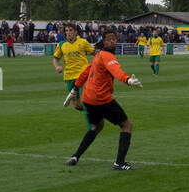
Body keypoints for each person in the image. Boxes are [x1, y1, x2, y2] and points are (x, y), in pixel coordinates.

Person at [66, 29, 143, 170]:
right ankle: (119, 163)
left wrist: (75, 90)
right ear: (104, 42)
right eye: (109, 39)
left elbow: (85, 72)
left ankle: (75, 156)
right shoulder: (107, 56)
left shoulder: (98, 55)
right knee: (127, 126)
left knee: (97, 126)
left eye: (114, 38)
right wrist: (128, 80)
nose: (112, 41)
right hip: (101, 98)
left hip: (88, 99)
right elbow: (116, 71)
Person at [55, 23, 96, 118]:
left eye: (70, 30)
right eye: (66, 31)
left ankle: (93, 128)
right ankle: (94, 109)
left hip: (83, 75)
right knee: (77, 105)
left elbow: (94, 53)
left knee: (84, 100)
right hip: (69, 76)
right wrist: (57, 66)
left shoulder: (83, 42)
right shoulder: (61, 44)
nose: (68, 33)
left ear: (75, 32)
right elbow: (56, 58)